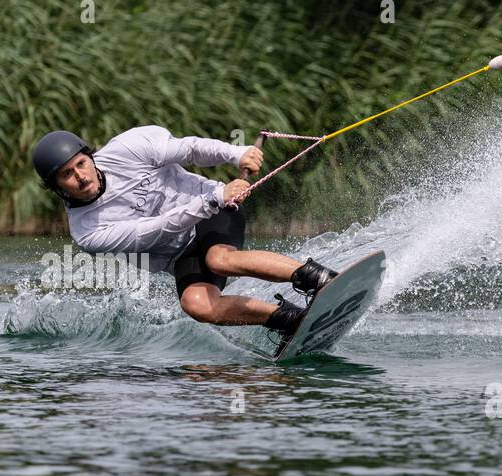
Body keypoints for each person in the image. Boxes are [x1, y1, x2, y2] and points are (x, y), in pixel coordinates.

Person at [31, 127, 331, 344]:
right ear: (57, 187)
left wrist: (236, 154)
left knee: (219, 259)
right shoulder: (88, 231)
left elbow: (191, 148)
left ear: (90, 157)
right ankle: (291, 321)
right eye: (67, 174)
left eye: (81, 164)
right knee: (196, 305)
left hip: (216, 211)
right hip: (187, 241)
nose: (81, 177)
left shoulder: (129, 146)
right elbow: (153, 230)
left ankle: (317, 278)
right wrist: (212, 199)